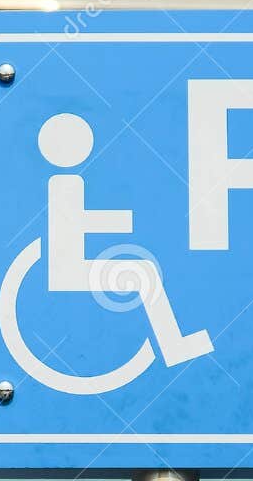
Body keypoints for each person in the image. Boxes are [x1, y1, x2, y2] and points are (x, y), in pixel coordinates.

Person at [38, 112, 212, 366]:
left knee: (144, 273)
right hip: (68, 269)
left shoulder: (66, 181)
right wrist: (121, 219)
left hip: (70, 264)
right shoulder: (66, 184)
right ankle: (174, 346)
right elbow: (78, 221)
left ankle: (175, 345)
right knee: (145, 274)